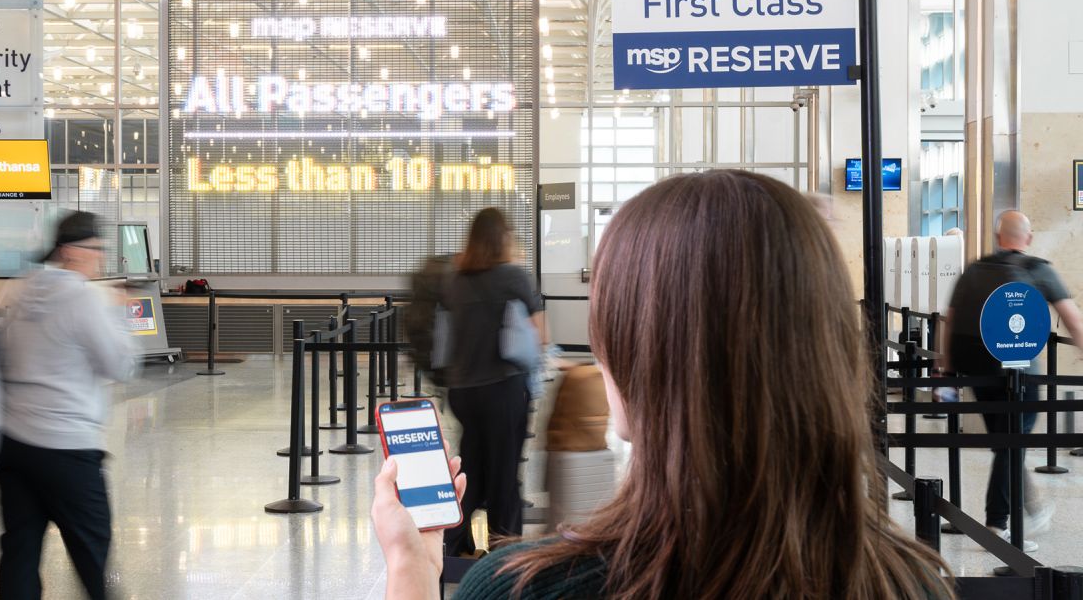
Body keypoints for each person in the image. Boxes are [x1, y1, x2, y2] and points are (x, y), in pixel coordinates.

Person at [372, 171, 954, 599]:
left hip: (465, 391)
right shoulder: (913, 583)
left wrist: (412, 569)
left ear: (632, 356)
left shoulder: (526, 588)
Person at [0, 211, 137, 600]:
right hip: (68, 446)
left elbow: (1, 352)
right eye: (96, 248)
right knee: (94, 556)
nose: (101, 257)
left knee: (20, 552)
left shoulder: (22, 288)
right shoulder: (84, 297)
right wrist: (117, 312)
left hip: (15, 442)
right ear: (71, 251)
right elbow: (120, 365)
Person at [939, 210, 1083, 549]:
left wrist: (945, 370)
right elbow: (1072, 319)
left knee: (1005, 443)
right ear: (1028, 238)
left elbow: (950, 319)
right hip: (1018, 373)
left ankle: (1031, 508)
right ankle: (997, 524)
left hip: (975, 368)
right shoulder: (1038, 269)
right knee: (1010, 444)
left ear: (997, 237)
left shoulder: (974, 269)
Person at [439, 208, 545, 558]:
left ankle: (452, 545)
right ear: (503, 239)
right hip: (502, 389)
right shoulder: (513, 276)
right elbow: (540, 334)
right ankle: (504, 554)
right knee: (503, 474)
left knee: (472, 467)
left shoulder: (454, 279)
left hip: (463, 392)